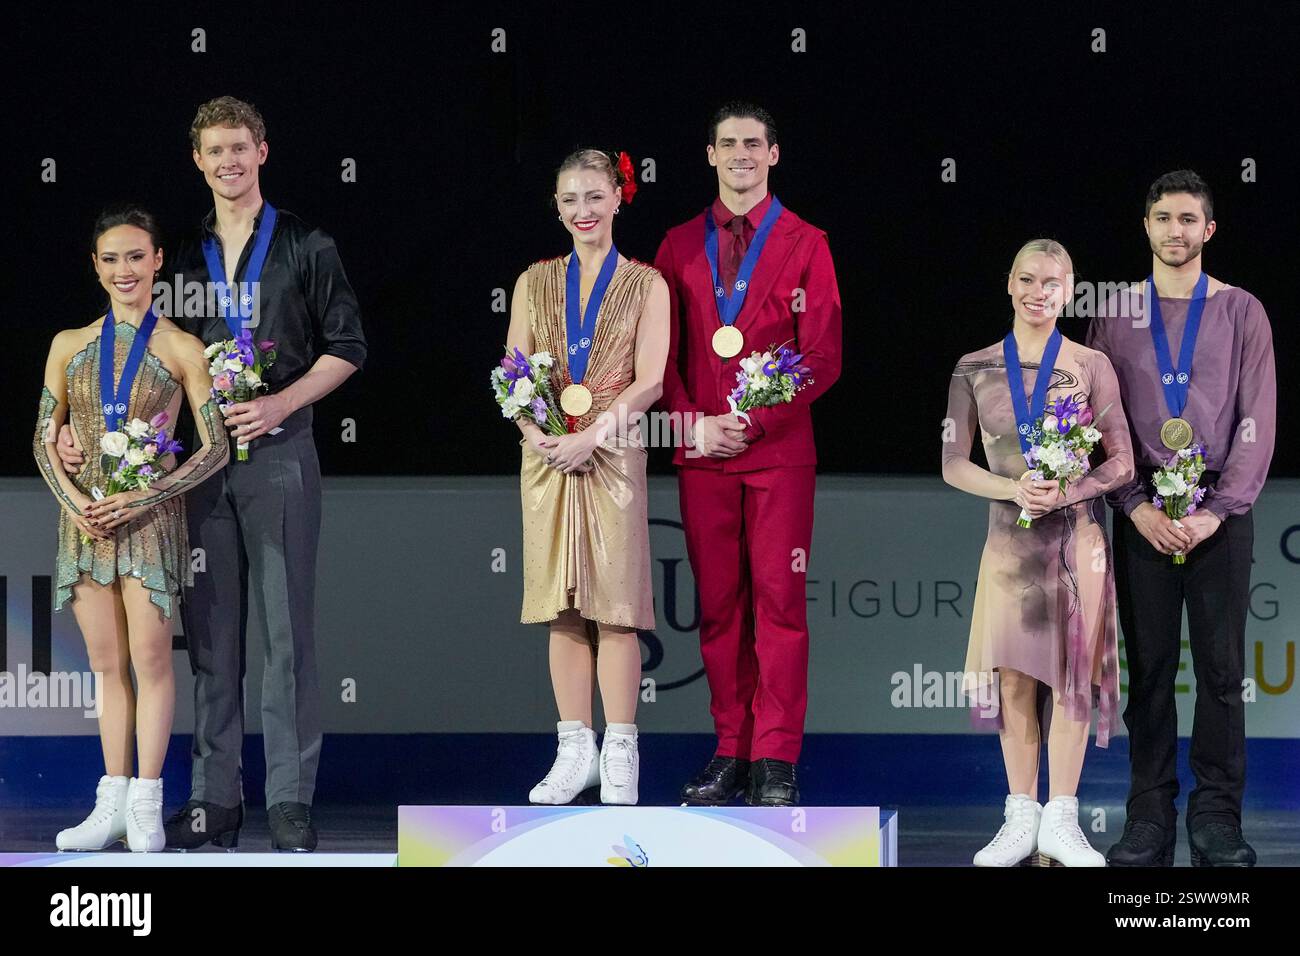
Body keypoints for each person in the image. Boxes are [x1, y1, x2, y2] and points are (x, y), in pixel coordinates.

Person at [57, 96, 367, 851]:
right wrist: (74, 429)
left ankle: (289, 800)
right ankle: (212, 799)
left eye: (240, 147)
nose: (228, 162)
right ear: (197, 161)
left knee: (285, 638)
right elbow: (139, 355)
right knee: (212, 636)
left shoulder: (307, 244)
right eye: (213, 151)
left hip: (280, 452)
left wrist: (282, 402)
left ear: (262, 150)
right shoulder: (183, 257)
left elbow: (349, 346)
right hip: (195, 469)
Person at [655, 103, 841, 806]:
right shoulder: (675, 245)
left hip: (777, 455)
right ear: (709, 155)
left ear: (773, 154)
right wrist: (692, 426)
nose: (740, 154)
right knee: (719, 608)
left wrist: (753, 421)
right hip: (702, 455)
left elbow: (823, 355)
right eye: (727, 143)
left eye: (752, 144)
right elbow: (660, 357)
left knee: (779, 603)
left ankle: (776, 758)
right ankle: (730, 747)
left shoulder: (806, 243)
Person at [1088, 171, 1275, 867]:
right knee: (1152, 670)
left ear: (1209, 230)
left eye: (1189, 219)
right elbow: (1100, 424)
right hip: (1141, 521)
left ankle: (1218, 818)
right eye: (1163, 218)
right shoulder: (1113, 313)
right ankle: (1148, 814)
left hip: (1218, 521)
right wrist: (1132, 505)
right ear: (1146, 226)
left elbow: (1257, 420)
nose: (1176, 231)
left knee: (1223, 672)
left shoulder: (1243, 311)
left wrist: (1217, 512)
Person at [35, 207, 229, 852]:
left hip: (148, 521)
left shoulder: (180, 347)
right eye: (111, 258)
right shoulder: (67, 344)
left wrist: (146, 493)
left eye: (136, 257)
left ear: (157, 263)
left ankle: (147, 802)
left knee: (150, 661)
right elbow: (42, 439)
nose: (125, 270)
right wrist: (73, 499)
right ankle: (108, 803)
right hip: (84, 521)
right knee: (104, 665)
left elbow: (217, 447)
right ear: (96, 265)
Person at [942, 239, 1134, 866]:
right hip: (1007, 543)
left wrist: (1068, 491)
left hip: (1077, 539)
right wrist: (1014, 488)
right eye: (1027, 279)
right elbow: (951, 465)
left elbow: (1123, 461)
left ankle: (1063, 820)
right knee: (1016, 679)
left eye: (1051, 283)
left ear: (1069, 291)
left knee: (1074, 680)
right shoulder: (973, 367)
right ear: (1009, 283)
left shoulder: (1091, 363)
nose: (1037, 292)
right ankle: (1020, 815)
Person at [505, 148, 668, 806]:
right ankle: (576, 750)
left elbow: (652, 378)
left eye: (594, 197)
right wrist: (537, 435)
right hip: (546, 455)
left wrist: (593, 437)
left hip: (613, 450)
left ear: (618, 198)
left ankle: (622, 750)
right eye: (570, 199)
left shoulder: (647, 283)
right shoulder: (533, 280)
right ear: (557, 204)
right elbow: (514, 371)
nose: (582, 210)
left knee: (616, 609)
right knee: (562, 611)